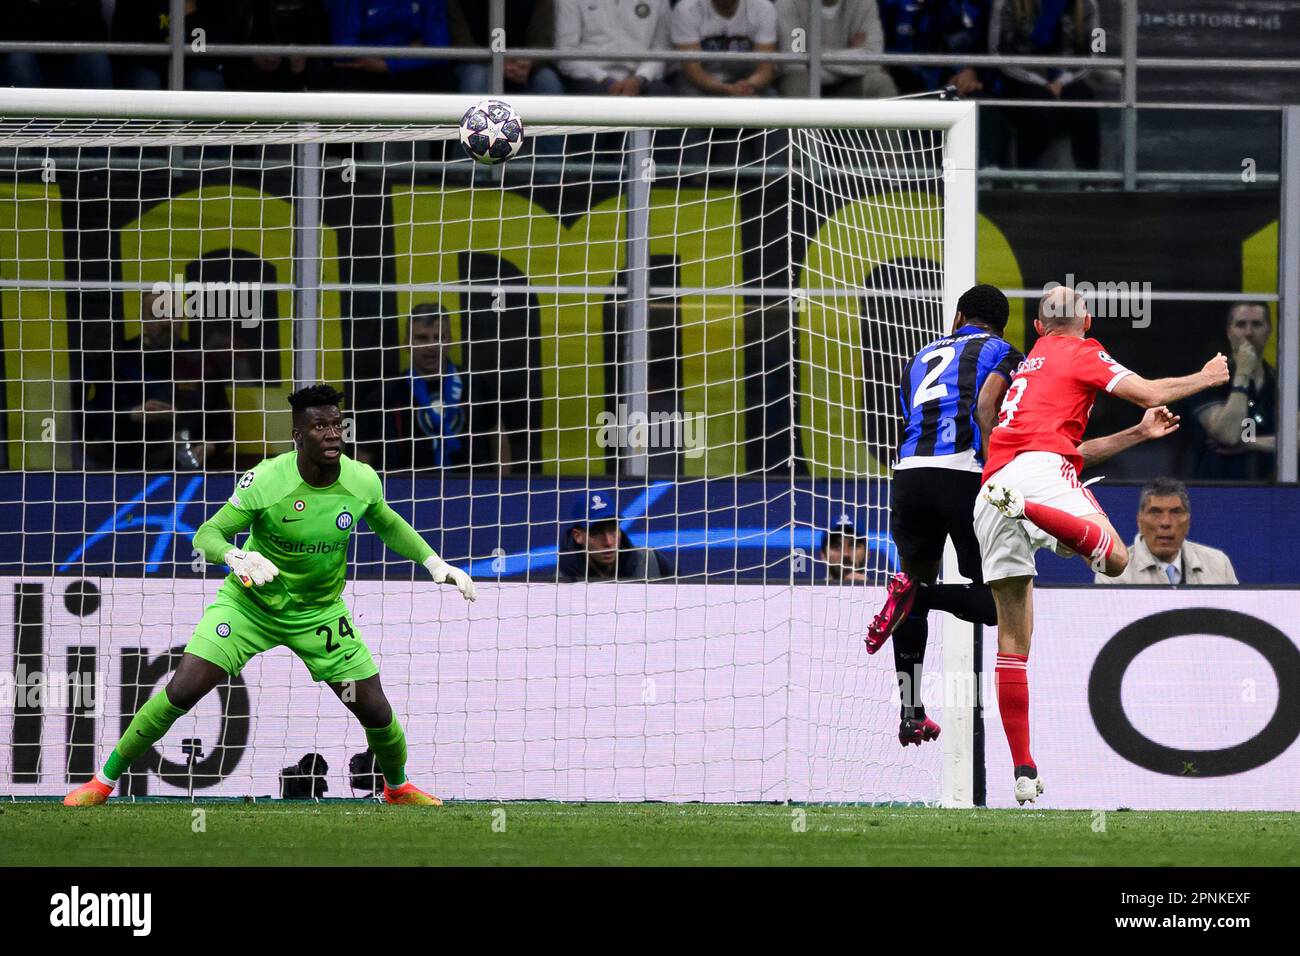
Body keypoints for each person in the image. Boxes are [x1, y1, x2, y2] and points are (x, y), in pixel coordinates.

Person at [64, 384, 477, 807]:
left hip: (318, 614)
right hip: (250, 606)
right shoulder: (266, 480)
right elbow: (208, 534)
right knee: (182, 690)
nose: (333, 434)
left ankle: (397, 788)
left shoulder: (361, 480)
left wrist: (434, 563)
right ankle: (102, 782)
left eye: (337, 424)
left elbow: (387, 522)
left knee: (374, 710)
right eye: (319, 426)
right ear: (298, 435)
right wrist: (235, 557)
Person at [975, 285, 1228, 804]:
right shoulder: (1082, 351)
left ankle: (1023, 770)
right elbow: (1151, 391)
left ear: (1039, 327)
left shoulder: (1032, 363)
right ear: (1086, 319)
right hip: (1036, 482)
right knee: (1115, 558)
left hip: (994, 485)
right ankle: (1031, 512)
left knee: (1012, 642)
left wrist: (1136, 435)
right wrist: (1206, 378)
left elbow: (1069, 451)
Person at [83, 290, 234, 472]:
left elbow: (222, 425)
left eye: (173, 313)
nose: (166, 322)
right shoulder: (118, 360)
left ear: (184, 316)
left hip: (189, 472)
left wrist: (211, 446)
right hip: (127, 470)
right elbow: (92, 422)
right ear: (142, 318)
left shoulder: (201, 361)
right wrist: (131, 415)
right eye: (156, 314)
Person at [354, 303, 509, 473]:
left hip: (473, 491)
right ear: (407, 343)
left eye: (439, 337)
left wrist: (502, 485)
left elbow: (497, 436)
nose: (431, 346)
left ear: (449, 342)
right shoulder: (385, 396)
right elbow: (363, 459)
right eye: (422, 338)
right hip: (406, 492)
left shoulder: (477, 386)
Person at [986, 0, 1101, 169]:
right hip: (1022, 77)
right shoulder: (1004, 3)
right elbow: (996, 52)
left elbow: (1098, 50)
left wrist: (1063, 80)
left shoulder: (1089, 3)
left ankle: (1090, 180)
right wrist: (1039, 81)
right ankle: (1026, 177)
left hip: (1068, 76)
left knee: (1084, 102)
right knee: (1035, 104)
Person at [1191, 302, 1292, 482]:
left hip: (1275, 492)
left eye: (1257, 324)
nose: (1249, 333)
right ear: (1229, 332)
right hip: (1218, 491)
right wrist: (1243, 373)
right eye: (1241, 324)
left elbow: (1296, 440)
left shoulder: (1283, 384)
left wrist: (1250, 444)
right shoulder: (1208, 381)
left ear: (1269, 330)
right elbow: (1228, 435)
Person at [1094, 478, 1238, 586]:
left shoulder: (1218, 564)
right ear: (1139, 521)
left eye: (1176, 512)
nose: (1165, 523)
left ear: (1188, 522)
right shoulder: (1113, 572)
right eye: (1155, 512)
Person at [774, 0, 897, 98]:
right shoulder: (789, 3)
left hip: (847, 83)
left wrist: (812, 57)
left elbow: (873, 59)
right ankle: (807, 130)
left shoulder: (864, 3)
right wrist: (853, 57)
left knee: (881, 83)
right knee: (796, 79)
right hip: (804, 81)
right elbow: (794, 62)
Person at [326, 0, 455, 91]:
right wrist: (407, 50)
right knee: (344, 81)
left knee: (443, 78)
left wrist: (389, 65)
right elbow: (345, 50)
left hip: (411, 69)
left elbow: (439, 48)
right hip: (366, 70)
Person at [554, 0, 674, 96]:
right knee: (591, 97)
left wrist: (640, 78)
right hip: (590, 77)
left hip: (640, 76)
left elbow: (661, 49)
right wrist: (604, 79)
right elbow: (566, 50)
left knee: (663, 96)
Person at [447, 0, 564, 95]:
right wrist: (497, 62)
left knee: (547, 81)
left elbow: (543, 41)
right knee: (476, 77)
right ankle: (477, 123)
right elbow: (461, 41)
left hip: (524, 65)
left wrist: (529, 61)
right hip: (477, 61)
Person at [556, 491, 674, 583]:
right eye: (596, 533)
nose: (608, 542)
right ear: (578, 536)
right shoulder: (562, 581)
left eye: (612, 530)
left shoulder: (651, 561)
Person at [112, 0, 229, 91]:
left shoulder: (212, 5)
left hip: (196, 66)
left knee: (205, 80)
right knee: (146, 80)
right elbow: (130, 43)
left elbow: (212, 52)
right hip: (147, 65)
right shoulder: (139, 5)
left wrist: (190, 16)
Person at [878, 0, 986, 96]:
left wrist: (965, 70)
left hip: (943, 81)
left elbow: (958, 44)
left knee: (975, 94)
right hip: (900, 78)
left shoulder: (951, 6)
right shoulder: (889, 5)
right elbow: (880, 47)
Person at [671, 0, 777, 98]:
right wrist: (725, 89)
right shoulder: (687, 9)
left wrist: (747, 87)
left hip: (747, 80)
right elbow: (693, 71)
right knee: (690, 104)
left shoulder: (763, 8)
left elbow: (765, 69)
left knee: (774, 104)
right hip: (700, 80)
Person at [2, 0, 113, 89]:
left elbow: (95, 34)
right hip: (29, 60)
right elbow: (13, 32)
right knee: (20, 59)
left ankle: (105, 115)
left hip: (73, 58)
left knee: (95, 60)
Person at [819, 513, 868, 584]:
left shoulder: (884, 594)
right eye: (836, 547)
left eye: (853, 546)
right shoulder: (809, 594)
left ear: (867, 553)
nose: (846, 554)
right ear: (823, 555)